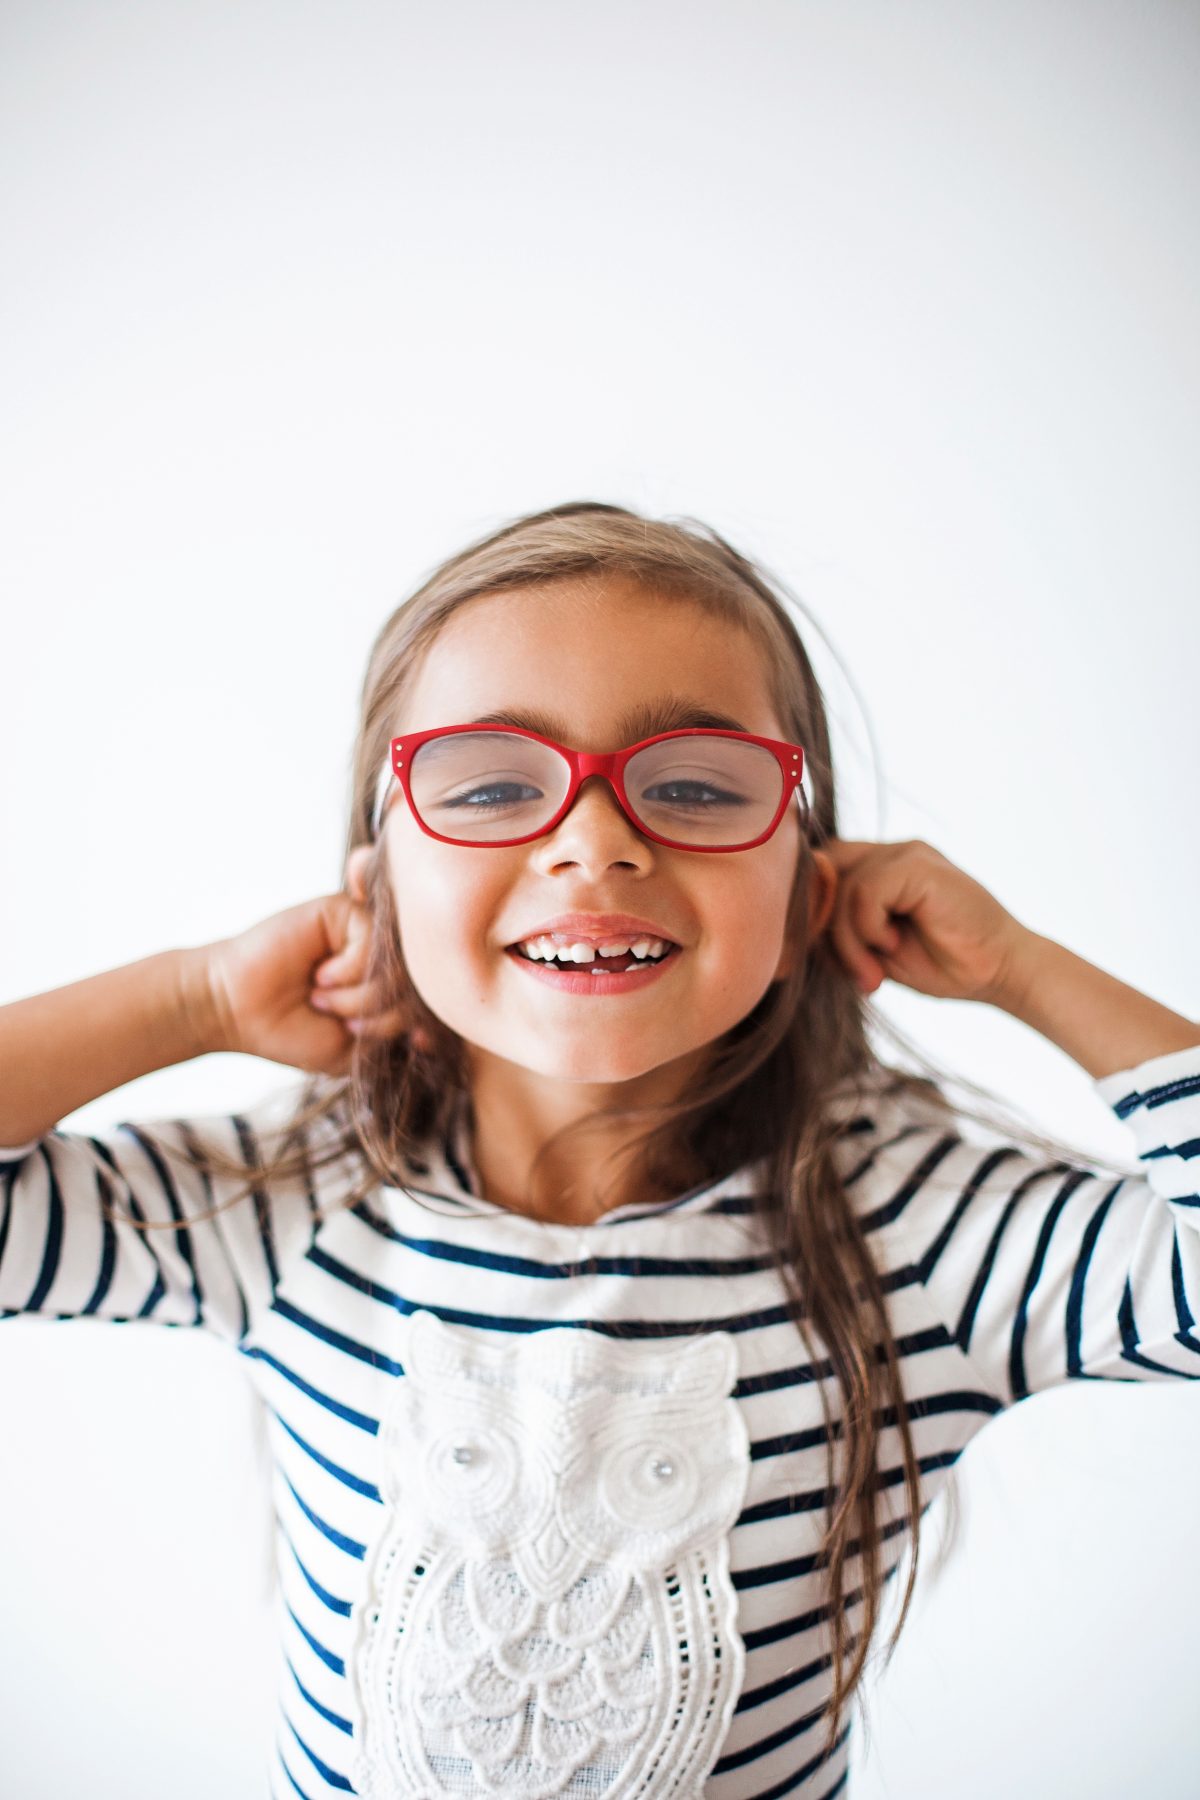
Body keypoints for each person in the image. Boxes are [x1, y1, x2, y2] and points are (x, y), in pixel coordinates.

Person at [2, 501, 1197, 1800]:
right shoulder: (287, 1209)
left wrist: (1021, 968)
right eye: (493, 786)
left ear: (810, 897)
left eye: (693, 786)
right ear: (378, 888)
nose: (595, 840)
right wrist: (196, 998)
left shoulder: (913, 1231)